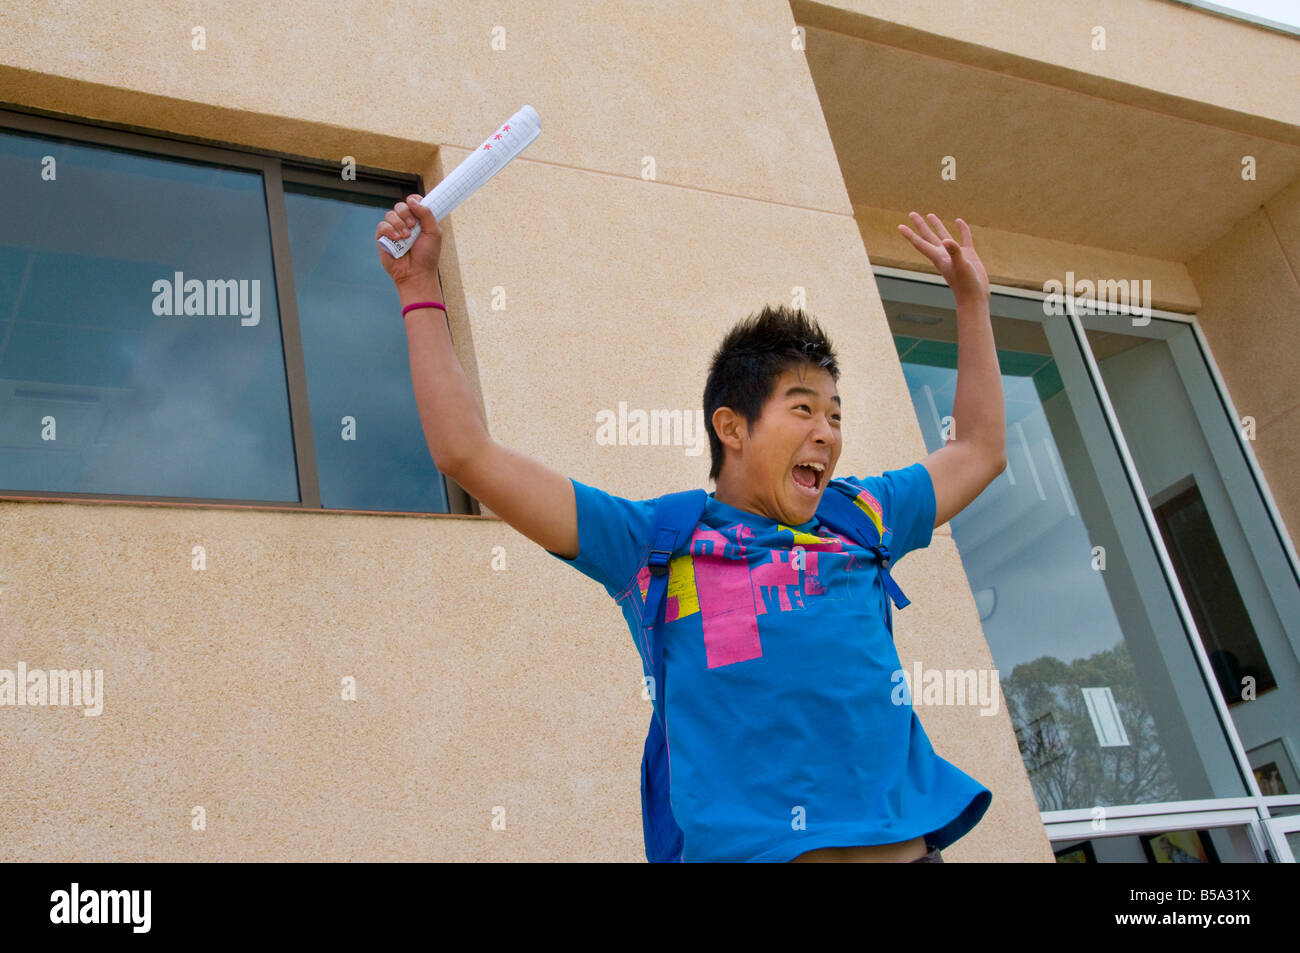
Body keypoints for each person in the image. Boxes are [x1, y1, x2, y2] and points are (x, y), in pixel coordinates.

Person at [377, 197, 1005, 862]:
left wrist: (972, 302)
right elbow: (466, 453)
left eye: (836, 415)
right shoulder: (653, 544)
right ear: (732, 427)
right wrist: (418, 285)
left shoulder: (863, 516)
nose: (827, 432)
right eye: (803, 409)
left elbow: (980, 451)